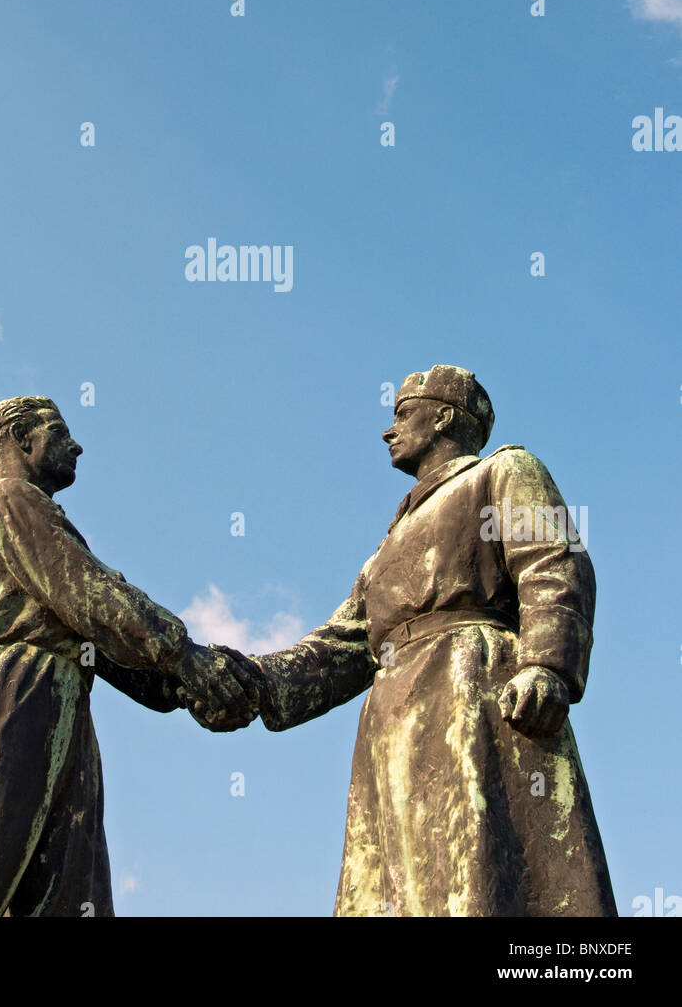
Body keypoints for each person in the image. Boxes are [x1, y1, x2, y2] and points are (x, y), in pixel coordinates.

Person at [206, 365, 617, 917]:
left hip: (470, 690)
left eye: (402, 414)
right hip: (391, 722)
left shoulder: (501, 472)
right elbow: (342, 643)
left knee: (478, 872)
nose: (387, 430)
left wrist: (546, 665)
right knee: (398, 888)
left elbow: (552, 562)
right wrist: (248, 682)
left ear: (444, 415)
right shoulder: (388, 544)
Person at [0, 395, 257, 918]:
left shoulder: (30, 511)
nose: (76, 445)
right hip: (16, 692)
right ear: (20, 438)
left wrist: (183, 684)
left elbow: (97, 635)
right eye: (59, 432)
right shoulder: (9, 501)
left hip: (61, 693)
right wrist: (184, 656)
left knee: (72, 888)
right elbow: (89, 592)